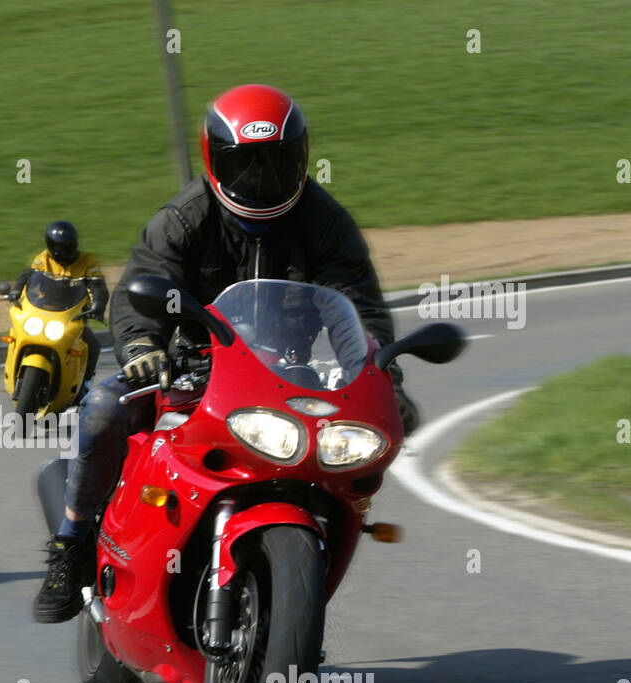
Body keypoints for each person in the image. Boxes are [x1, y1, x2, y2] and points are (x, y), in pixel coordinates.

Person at [33, 84, 419, 624]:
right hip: (188, 365)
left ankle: (293, 584)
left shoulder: (326, 223)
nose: (260, 178)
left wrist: (384, 376)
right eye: (246, 163)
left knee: (342, 449)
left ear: (301, 157)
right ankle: (72, 543)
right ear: (214, 158)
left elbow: (359, 310)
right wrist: (144, 347)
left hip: (288, 372)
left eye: (275, 161)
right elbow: (142, 285)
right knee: (102, 406)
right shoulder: (184, 218)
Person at [8, 220, 107, 384]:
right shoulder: (43, 258)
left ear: (74, 244)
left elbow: (98, 287)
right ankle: (14, 371)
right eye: (58, 247)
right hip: (41, 311)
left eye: (67, 247)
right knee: (16, 333)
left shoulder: (89, 262)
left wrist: (98, 305)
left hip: (71, 317)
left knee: (93, 346)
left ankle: (85, 384)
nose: (62, 252)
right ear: (50, 246)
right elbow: (27, 276)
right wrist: (15, 290)